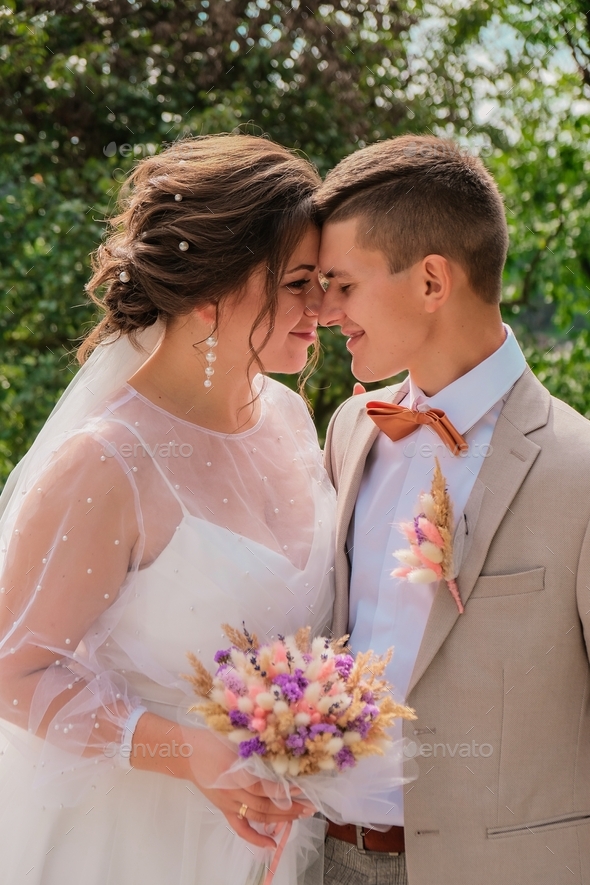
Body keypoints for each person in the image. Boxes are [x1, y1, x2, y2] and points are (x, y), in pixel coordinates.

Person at [0, 134, 337, 885]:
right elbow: (13, 670)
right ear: (211, 292)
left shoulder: (288, 416)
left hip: (271, 835)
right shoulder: (105, 461)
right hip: (137, 838)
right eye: (299, 282)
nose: (322, 306)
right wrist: (186, 752)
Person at [315, 134, 590, 885]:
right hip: (329, 856)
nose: (324, 309)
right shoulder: (349, 430)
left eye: (342, 284)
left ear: (432, 280)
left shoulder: (581, 467)